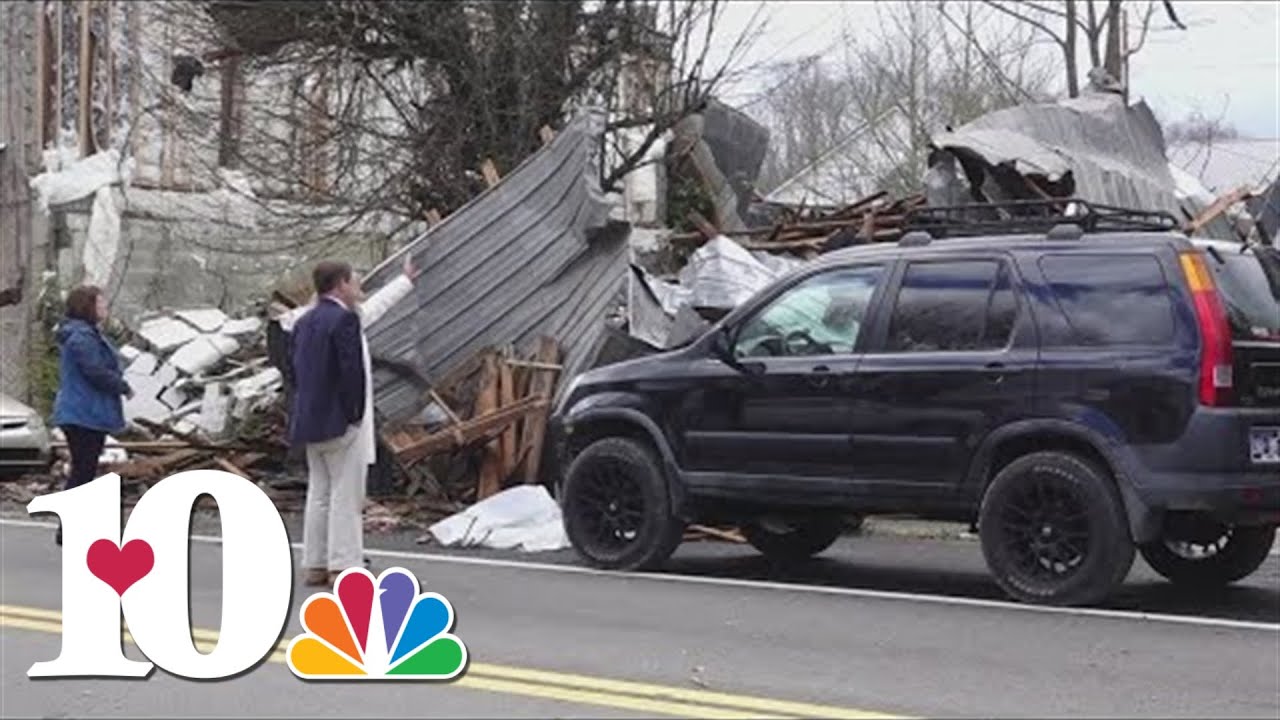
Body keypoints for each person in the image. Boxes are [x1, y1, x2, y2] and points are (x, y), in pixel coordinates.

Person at [285, 256, 419, 586]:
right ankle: (344, 565)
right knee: (347, 495)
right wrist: (355, 415)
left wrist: (403, 281)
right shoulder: (344, 321)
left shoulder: (304, 322)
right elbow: (352, 373)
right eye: (355, 280)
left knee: (319, 494)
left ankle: (315, 563)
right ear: (341, 284)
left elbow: (294, 371)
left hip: (310, 421)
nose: (359, 286)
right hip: (341, 421)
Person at [50, 285, 133, 545]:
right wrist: (121, 385)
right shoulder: (82, 337)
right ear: (88, 307)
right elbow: (94, 371)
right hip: (83, 412)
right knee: (83, 469)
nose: (105, 309)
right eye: (101, 304)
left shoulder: (85, 334)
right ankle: (70, 526)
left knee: (83, 468)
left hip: (83, 411)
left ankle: (73, 525)